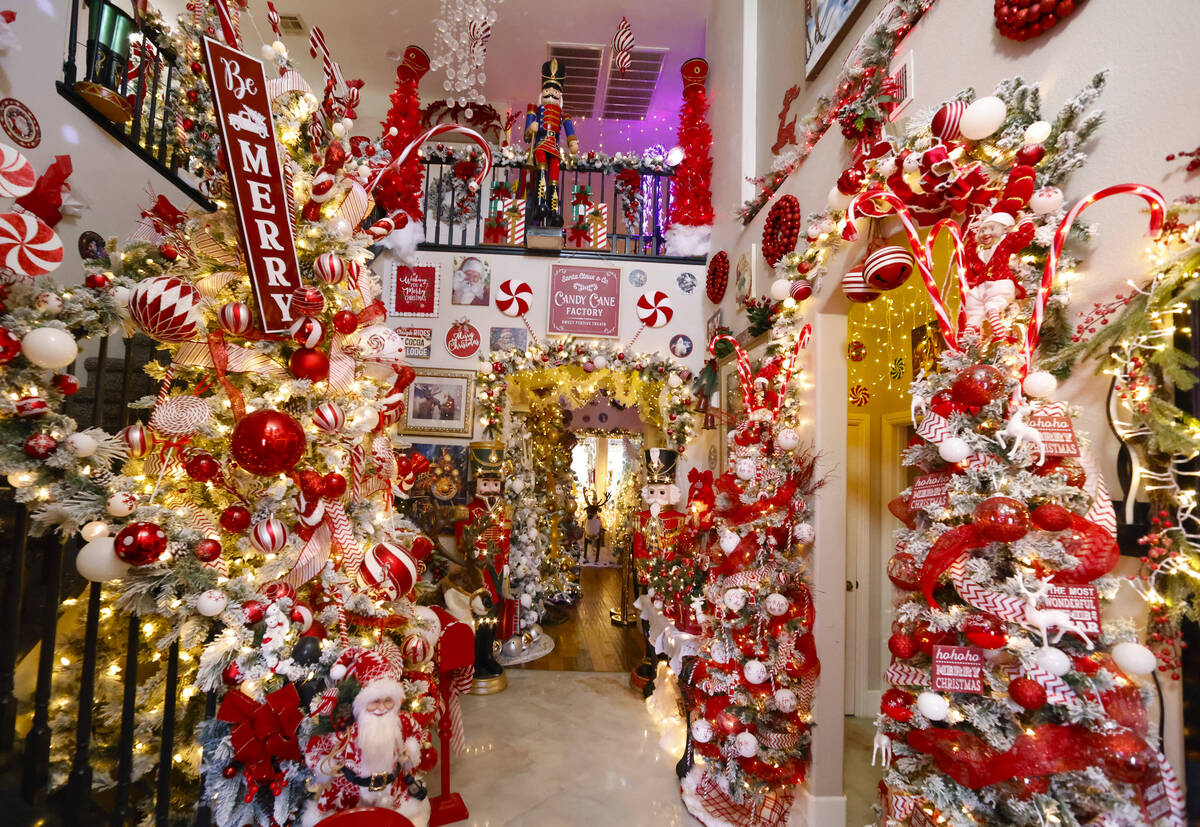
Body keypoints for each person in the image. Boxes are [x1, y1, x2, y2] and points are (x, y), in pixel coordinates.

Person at [303, 649, 430, 827]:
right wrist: (328, 766)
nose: (382, 708)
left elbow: (419, 733)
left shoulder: (402, 721)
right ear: (362, 704)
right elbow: (315, 748)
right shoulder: (348, 730)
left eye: (388, 701)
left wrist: (411, 748)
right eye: (374, 702)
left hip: (394, 793)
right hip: (351, 798)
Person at [524, 59, 578, 227]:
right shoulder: (534, 108)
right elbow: (527, 136)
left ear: (560, 94)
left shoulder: (564, 114)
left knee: (554, 175)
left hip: (554, 147)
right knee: (541, 168)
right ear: (542, 91)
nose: (551, 93)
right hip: (540, 144)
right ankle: (540, 204)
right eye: (547, 90)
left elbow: (569, 131)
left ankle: (553, 212)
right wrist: (531, 128)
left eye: (556, 91)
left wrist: (572, 142)